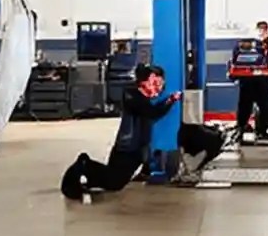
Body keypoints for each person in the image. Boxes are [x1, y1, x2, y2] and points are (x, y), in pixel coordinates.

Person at [60, 63, 180, 200]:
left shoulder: (142, 98)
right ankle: (84, 165)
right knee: (115, 182)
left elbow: (150, 111)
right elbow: (151, 113)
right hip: (127, 147)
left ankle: (90, 174)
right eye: (155, 83)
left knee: (115, 181)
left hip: (136, 147)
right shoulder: (132, 96)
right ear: (145, 80)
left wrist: (168, 100)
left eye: (160, 85)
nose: (158, 89)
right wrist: (170, 101)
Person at [236, 20, 268, 143]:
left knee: (247, 106)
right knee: (265, 108)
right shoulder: (258, 41)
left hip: (251, 79)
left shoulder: (259, 43)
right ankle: (255, 131)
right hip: (255, 80)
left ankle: (245, 131)